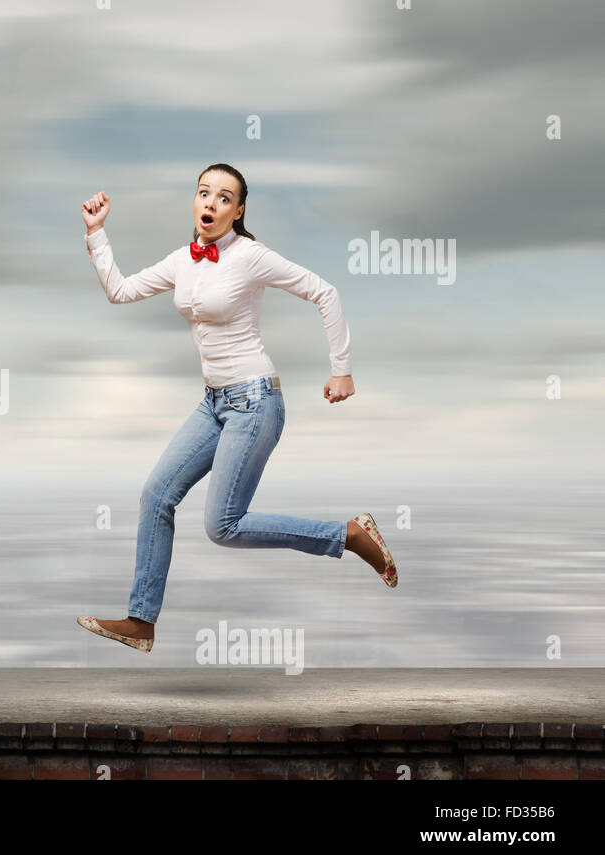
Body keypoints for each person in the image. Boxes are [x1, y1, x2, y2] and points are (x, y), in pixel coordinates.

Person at [76, 163, 397, 654]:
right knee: (155, 496)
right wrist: (97, 234)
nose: (211, 203)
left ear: (238, 210)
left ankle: (348, 535)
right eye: (204, 193)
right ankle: (141, 621)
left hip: (255, 403)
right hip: (213, 405)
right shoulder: (183, 260)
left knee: (222, 527)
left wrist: (342, 369)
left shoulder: (251, 256)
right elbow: (120, 291)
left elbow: (324, 292)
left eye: (224, 198)